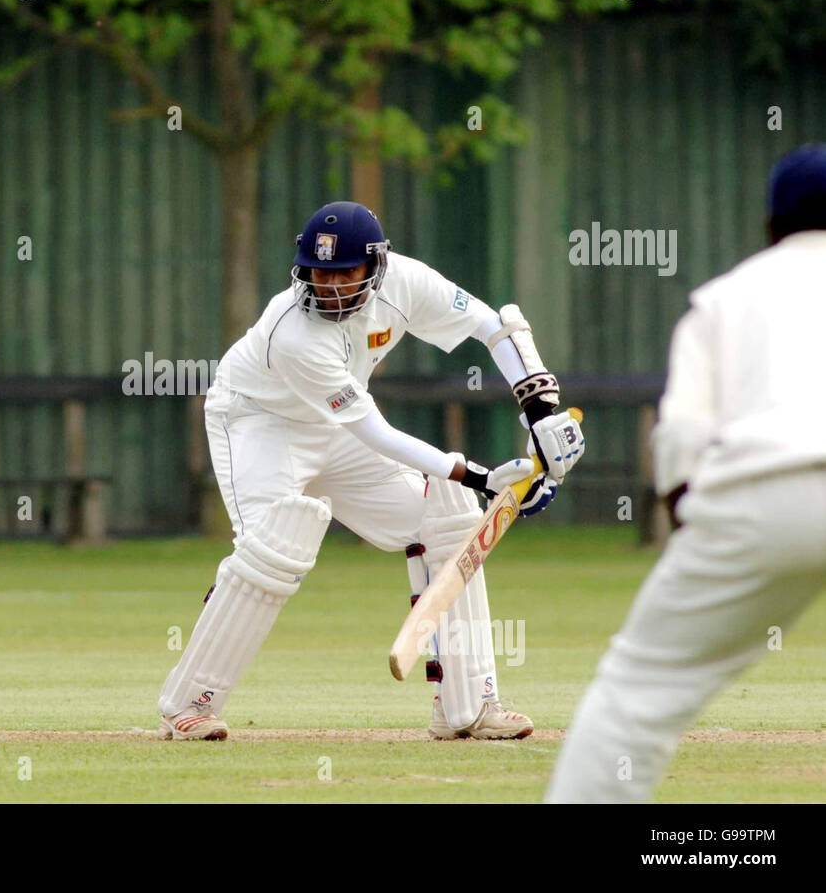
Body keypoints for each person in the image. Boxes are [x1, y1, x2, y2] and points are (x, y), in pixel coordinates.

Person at [158, 201, 586, 741]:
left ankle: (468, 705)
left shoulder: (405, 283)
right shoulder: (293, 332)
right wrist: (481, 477)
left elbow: (495, 326)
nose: (329, 286)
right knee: (275, 545)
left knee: (447, 513)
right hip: (259, 421)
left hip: (334, 425)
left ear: (377, 266)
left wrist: (540, 409)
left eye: (344, 273)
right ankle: (189, 703)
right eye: (319, 272)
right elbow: (376, 433)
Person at [546, 145, 826, 802]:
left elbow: (681, 440)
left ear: (768, 227)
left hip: (759, 495)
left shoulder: (723, 299)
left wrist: (693, 535)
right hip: (765, 485)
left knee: (638, 692)